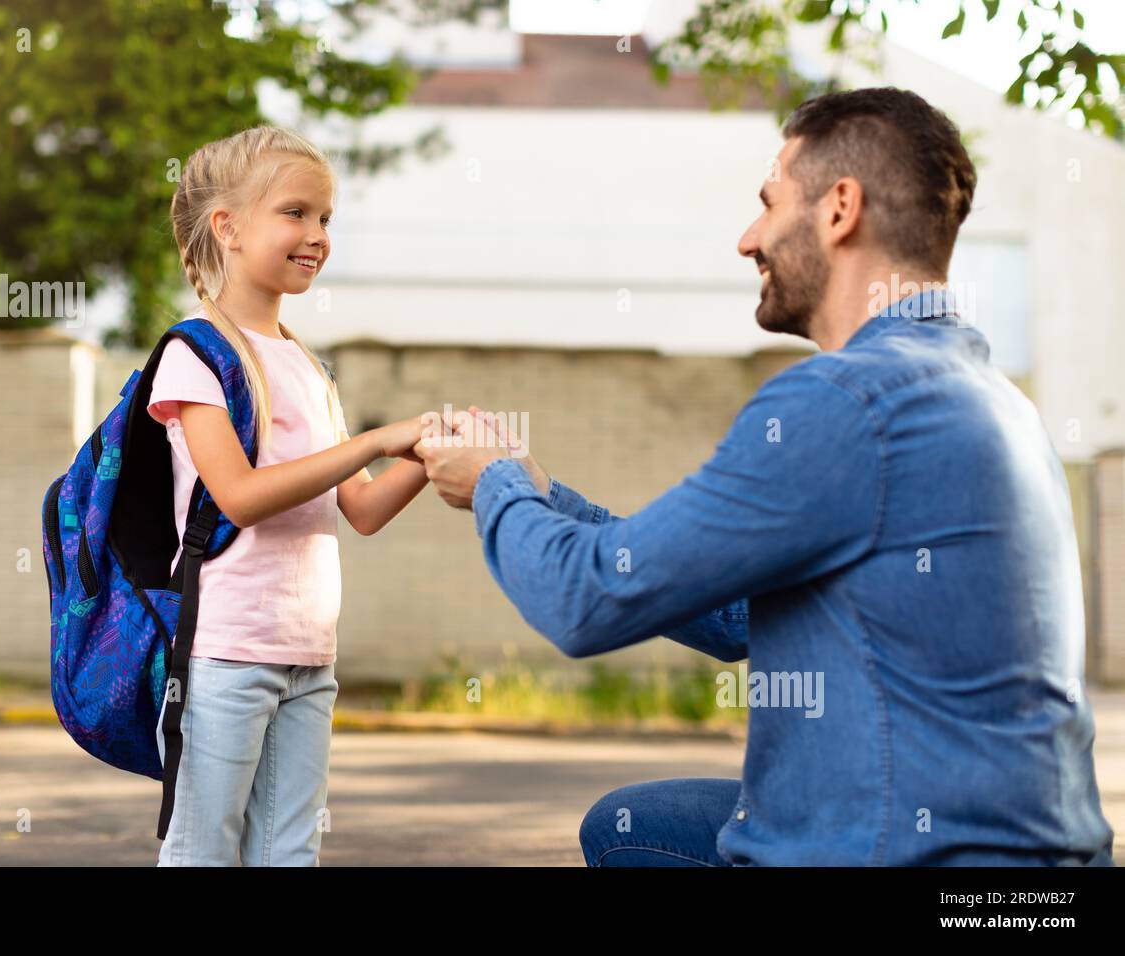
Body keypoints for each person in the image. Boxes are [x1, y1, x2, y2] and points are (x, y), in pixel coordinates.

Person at [413, 88, 1116, 866]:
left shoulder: (847, 401)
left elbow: (584, 602)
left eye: (769, 202)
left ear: (839, 208)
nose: (748, 239)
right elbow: (731, 618)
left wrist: (493, 486)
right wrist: (544, 496)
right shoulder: (987, 398)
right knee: (633, 824)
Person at [151, 125, 432, 865]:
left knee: (290, 851)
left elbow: (361, 510)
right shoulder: (195, 354)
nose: (317, 235)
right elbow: (240, 497)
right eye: (297, 213)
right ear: (229, 227)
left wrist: (430, 450)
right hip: (225, 657)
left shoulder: (310, 368)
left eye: (326, 219)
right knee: (203, 850)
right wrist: (372, 439)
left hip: (310, 658)